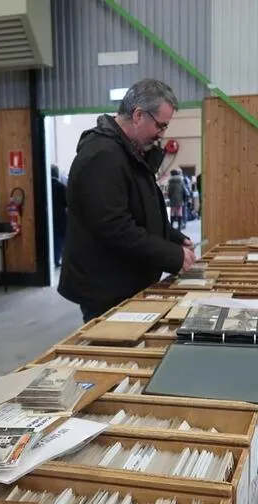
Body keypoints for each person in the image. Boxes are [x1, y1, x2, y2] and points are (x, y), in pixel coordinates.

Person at [59, 78, 195, 322]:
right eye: (160, 126)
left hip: (127, 282)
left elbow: (141, 210)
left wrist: (172, 237)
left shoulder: (129, 153)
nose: (162, 134)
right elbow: (115, 227)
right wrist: (171, 255)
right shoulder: (102, 155)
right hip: (106, 288)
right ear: (138, 115)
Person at [50, 165, 67, 267]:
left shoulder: (44, 187)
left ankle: (50, 259)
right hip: (60, 217)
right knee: (59, 239)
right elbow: (67, 203)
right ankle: (56, 259)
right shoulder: (62, 187)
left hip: (48, 217)